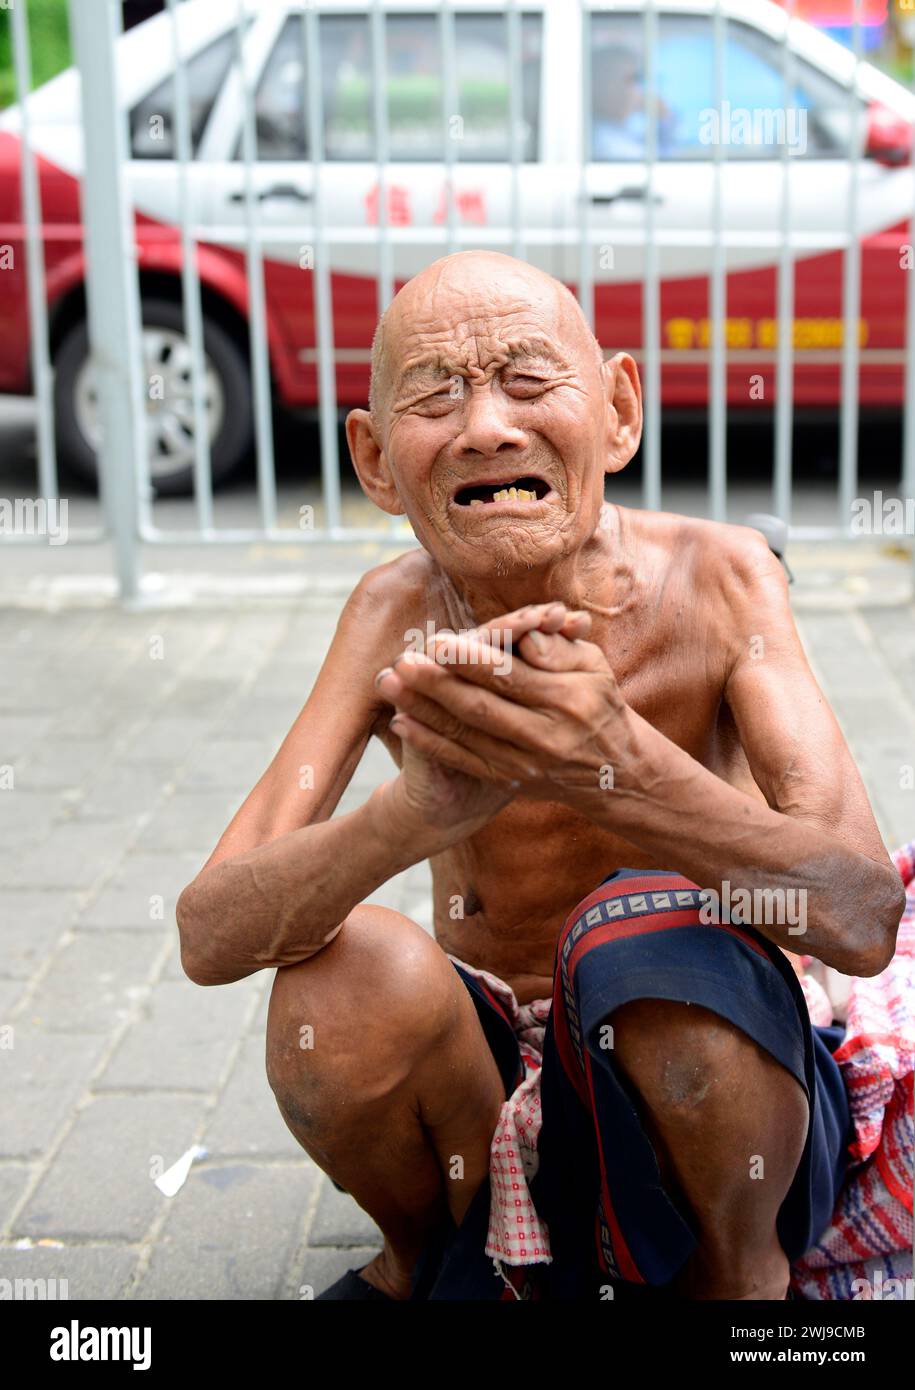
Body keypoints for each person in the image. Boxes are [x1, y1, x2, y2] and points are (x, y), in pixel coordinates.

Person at [176, 250, 905, 1301]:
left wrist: (625, 766)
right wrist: (412, 815)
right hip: (495, 1082)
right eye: (437, 393)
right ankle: (443, 1260)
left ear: (616, 411)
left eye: (528, 381)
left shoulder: (724, 580)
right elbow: (210, 933)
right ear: (377, 461)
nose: (485, 428)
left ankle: (740, 1280)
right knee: (341, 984)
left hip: (714, 1089)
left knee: (644, 939)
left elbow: (860, 912)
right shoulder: (394, 615)